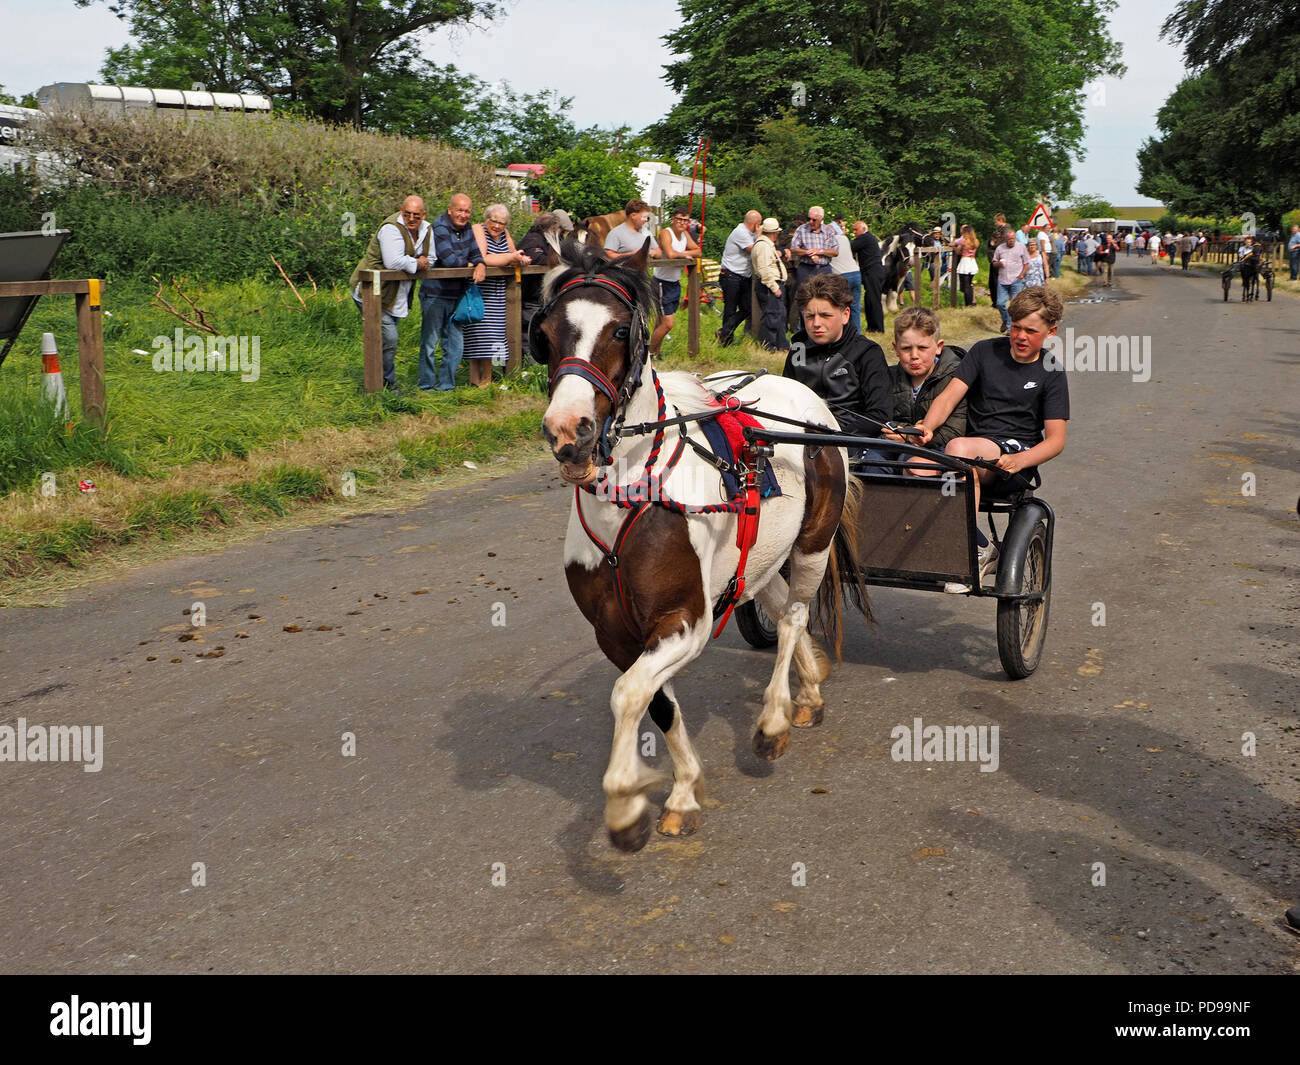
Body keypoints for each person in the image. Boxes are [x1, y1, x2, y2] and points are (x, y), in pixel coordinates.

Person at [915, 286, 1069, 593]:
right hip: (974, 451)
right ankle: (974, 544)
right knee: (915, 467)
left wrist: (1019, 461)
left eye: (1030, 331)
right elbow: (948, 398)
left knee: (959, 449)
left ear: (1051, 332)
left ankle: (967, 552)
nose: (1021, 336)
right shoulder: (984, 351)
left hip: (1014, 457)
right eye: (1015, 327)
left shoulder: (1051, 371)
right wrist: (927, 428)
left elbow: (1056, 440)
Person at [782, 273, 891, 463]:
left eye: (825, 315)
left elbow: (879, 414)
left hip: (851, 443)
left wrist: (835, 437)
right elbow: (786, 403)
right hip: (802, 441)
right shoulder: (797, 350)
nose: (816, 324)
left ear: (845, 315)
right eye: (809, 316)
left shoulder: (867, 352)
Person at [348, 195, 432, 394]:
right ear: (401, 211)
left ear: (423, 215)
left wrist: (421, 262)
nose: (411, 218)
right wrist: (418, 263)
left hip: (396, 294)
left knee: (385, 339)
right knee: (390, 338)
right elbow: (393, 261)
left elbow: (433, 258)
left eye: (416, 215)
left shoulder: (427, 229)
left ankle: (379, 382)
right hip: (371, 290)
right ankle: (385, 384)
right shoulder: (391, 228)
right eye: (407, 214)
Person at [880, 306, 966, 471]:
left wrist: (910, 437)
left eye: (922, 348)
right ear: (895, 348)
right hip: (893, 446)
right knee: (871, 463)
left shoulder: (955, 378)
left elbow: (956, 430)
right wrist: (903, 435)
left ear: (939, 346)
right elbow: (878, 421)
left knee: (913, 465)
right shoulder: (887, 377)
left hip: (939, 448)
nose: (914, 355)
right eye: (906, 348)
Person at [419, 193, 485, 391]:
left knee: (455, 344)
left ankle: (446, 386)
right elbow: (448, 259)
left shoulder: (467, 229)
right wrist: (468, 264)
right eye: (459, 210)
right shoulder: (439, 228)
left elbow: (476, 253)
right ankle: (426, 385)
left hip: (458, 295)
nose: (463, 215)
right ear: (450, 210)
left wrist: (480, 263)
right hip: (435, 294)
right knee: (430, 343)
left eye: (467, 211)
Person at [461, 203, 531, 387]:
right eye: (494, 221)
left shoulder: (504, 235)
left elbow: (513, 253)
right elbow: (483, 257)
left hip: (498, 292)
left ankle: (488, 379)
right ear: (486, 219)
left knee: (493, 337)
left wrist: (519, 259)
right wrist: (510, 258)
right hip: (480, 291)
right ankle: (474, 380)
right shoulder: (478, 229)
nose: (498, 226)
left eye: (502, 223)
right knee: (477, 334)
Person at [518, 211, 573, 358]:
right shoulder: (533, 240)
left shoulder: (546, 240)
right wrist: (559, 262)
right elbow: (536, 258)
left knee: (540, 331)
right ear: (551, 228)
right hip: (531, 295)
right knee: (529, 331)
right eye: (558, 229)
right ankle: (529, 365)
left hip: (542, 297)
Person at [650, 208, 703, 356]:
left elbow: (698, 251)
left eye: (685, 220)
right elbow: (671, 254)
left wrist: (685, 254)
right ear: (673, 219)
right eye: (679, 219)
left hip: (674, 282)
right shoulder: (666, 233)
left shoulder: (685, 234)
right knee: (668, 323)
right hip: (661, 282)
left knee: (660, 322)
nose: (682, 223)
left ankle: (655, 353)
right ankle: (648, 353)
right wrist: (685, 255)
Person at [717, 210, 760, 346]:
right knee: (730, 309)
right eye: (759, 224)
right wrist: (759, 236)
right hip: (731, 275)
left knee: (747, 308)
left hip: (743, 276)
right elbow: (754, 250)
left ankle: (723, 332)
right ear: (755, 224)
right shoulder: (740, 232)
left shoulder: (750, 233)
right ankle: (727, 340)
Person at [752, 217, 789, 351]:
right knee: (772, 316)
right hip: (770, 286)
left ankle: (781, 345)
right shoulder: (763, 246)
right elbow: (764, 269)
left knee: (778, 315)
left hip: (773, 284)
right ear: (775, 233)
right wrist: (774, 287)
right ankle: (769, 346)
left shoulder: (765, 244)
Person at [790, 206, 839, 290]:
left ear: (821, 219)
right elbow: (793, 249)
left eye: (814, 220)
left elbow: (835, 252)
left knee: (826, 296)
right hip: (806, 269)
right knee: (805, 296)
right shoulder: (802, 229)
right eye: (809, 219)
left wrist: (820, 251)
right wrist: (808, 252)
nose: (811, 222)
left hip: (824, 269)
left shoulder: (828, 231)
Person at [992, 227, 1030, 333]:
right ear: (1005, 239)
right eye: (1009, 239)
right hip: (1002, 280)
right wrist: (999, 263)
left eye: (1013, 238)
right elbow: (994, 262)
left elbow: (1026, 262)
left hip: (1016, 280)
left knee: (1013, 305)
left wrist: (1022, 274)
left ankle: (1009, 328)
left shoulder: (1021, 247)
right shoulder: (1000, 248)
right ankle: (1005, 320)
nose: (1011, 240)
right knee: (1000, 303)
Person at [852, 221, 886, 333]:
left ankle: (879, 328)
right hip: (870, 272)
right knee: (869, 300)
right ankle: (871, 326)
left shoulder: (865, 237)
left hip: (873, 272)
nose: (854, 233)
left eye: (856, 230)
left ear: (863, 229)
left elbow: (850, 246)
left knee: (874, 299)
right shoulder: (867, 237)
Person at [829, 226, 863, 334]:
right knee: (855, 307)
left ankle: (844, 333)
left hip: (841, 275)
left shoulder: (828, 241)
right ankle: (857, 334)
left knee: (841, 307)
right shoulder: (844, 239)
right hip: (856, 273)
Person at [953, 223, 979, 307]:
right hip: (972, 261)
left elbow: (957, 250)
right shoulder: (976, 241)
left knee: (966, 285)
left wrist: (958, 249)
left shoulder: (963, 241)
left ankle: (968, 303)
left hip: (965, 261)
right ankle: (971, 302)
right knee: (970, 284)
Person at [986, 213, 1007, 307]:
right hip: (995, 258)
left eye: (996, 221)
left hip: (999, 259)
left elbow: (998, 245)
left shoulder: (1006, 231)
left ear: (1000, 220)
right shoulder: (1000, 230)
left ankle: (998, 302)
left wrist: (992, 243)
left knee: (996, 281)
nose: (995, 223)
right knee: (993, 281)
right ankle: (995, 301)